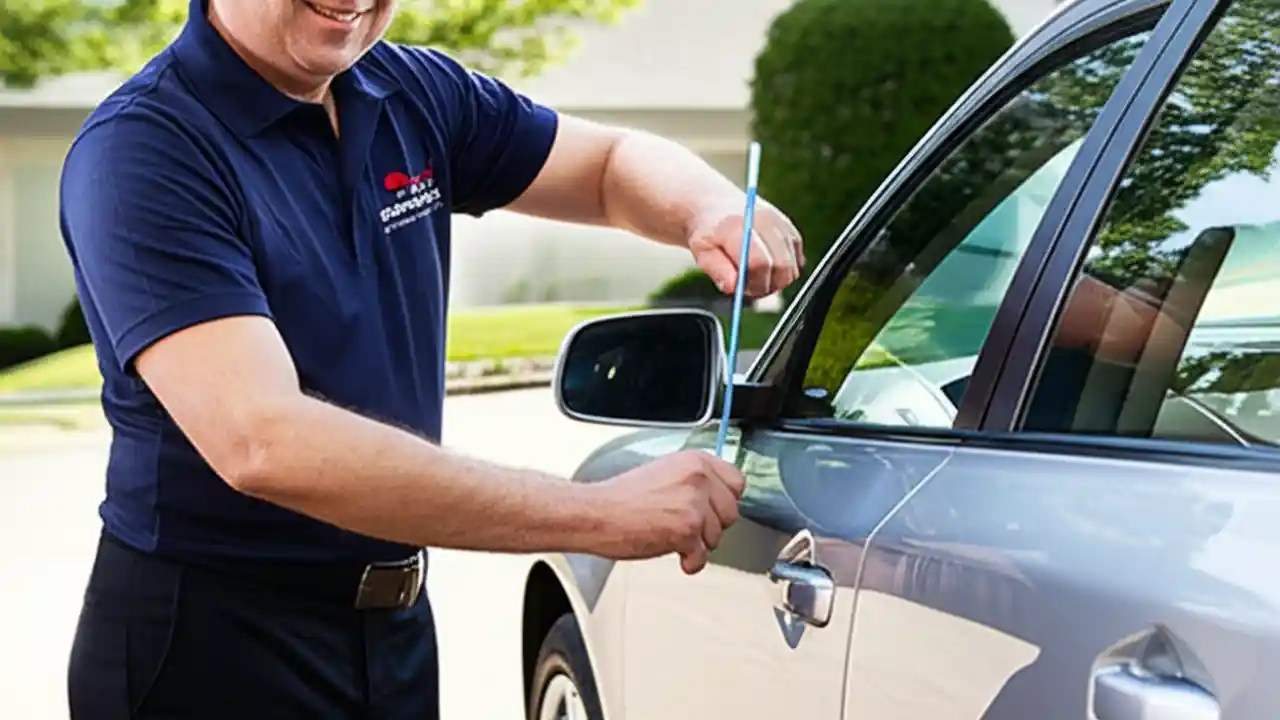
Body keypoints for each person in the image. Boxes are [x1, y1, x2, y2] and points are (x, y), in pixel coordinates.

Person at [60, 0, 805, 717]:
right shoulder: (145, 149)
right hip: (212, 648)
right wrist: (601, 515)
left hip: (395, 631)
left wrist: (705, 205)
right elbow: (263, 440)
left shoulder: (408, 90)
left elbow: (608, 166)